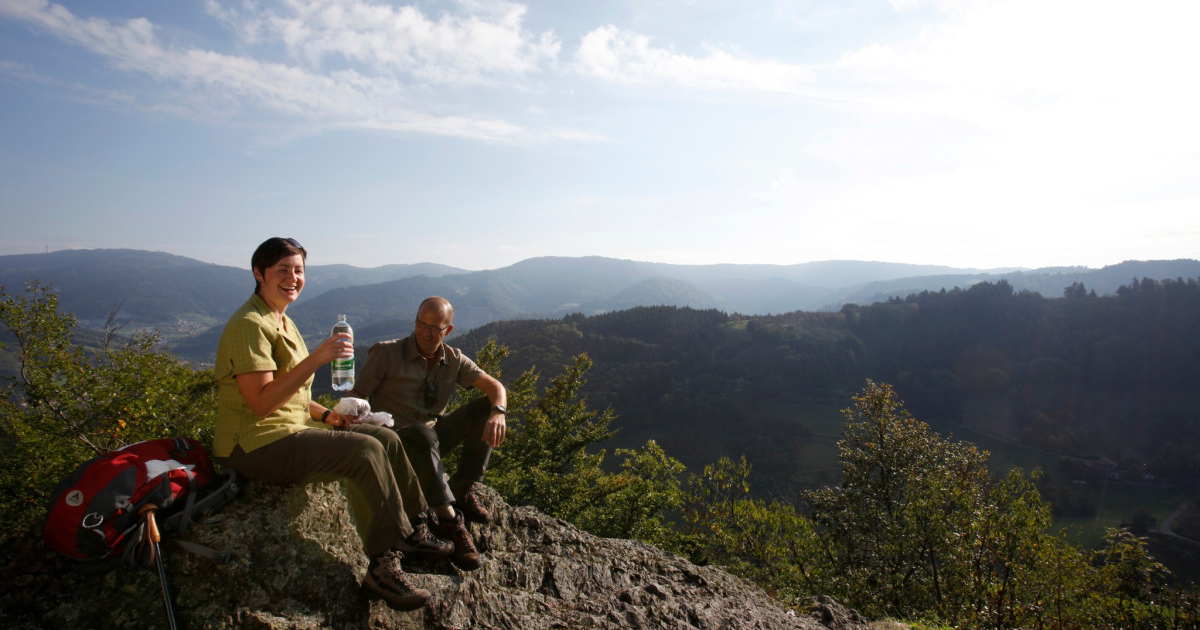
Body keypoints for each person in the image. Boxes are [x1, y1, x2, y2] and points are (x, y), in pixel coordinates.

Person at [212, 237, 451, 611]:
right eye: (282, 270)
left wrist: (328, 415)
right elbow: (260, 402)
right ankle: (383, 566)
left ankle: (414, 529)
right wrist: (318, 358)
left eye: (299, 270)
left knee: (384, 437)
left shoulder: (282, 320)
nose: (293, 278)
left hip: (288, 429)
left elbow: (291, 394)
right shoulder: (249, 325)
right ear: (258, 273)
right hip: (253, 443)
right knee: (365, 450)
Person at [349, 296, 507, 571]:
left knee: (485, 408)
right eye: (421, 324)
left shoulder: (453, 359)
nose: (426, 331)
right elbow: (357, 395)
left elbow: (495, 387)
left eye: (435, 327)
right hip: (395, 442)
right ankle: (448, 520)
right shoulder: (386, 353)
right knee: (422, 434)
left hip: (431, 442)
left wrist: (498, 413)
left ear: (449, 330)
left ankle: (462, 489)